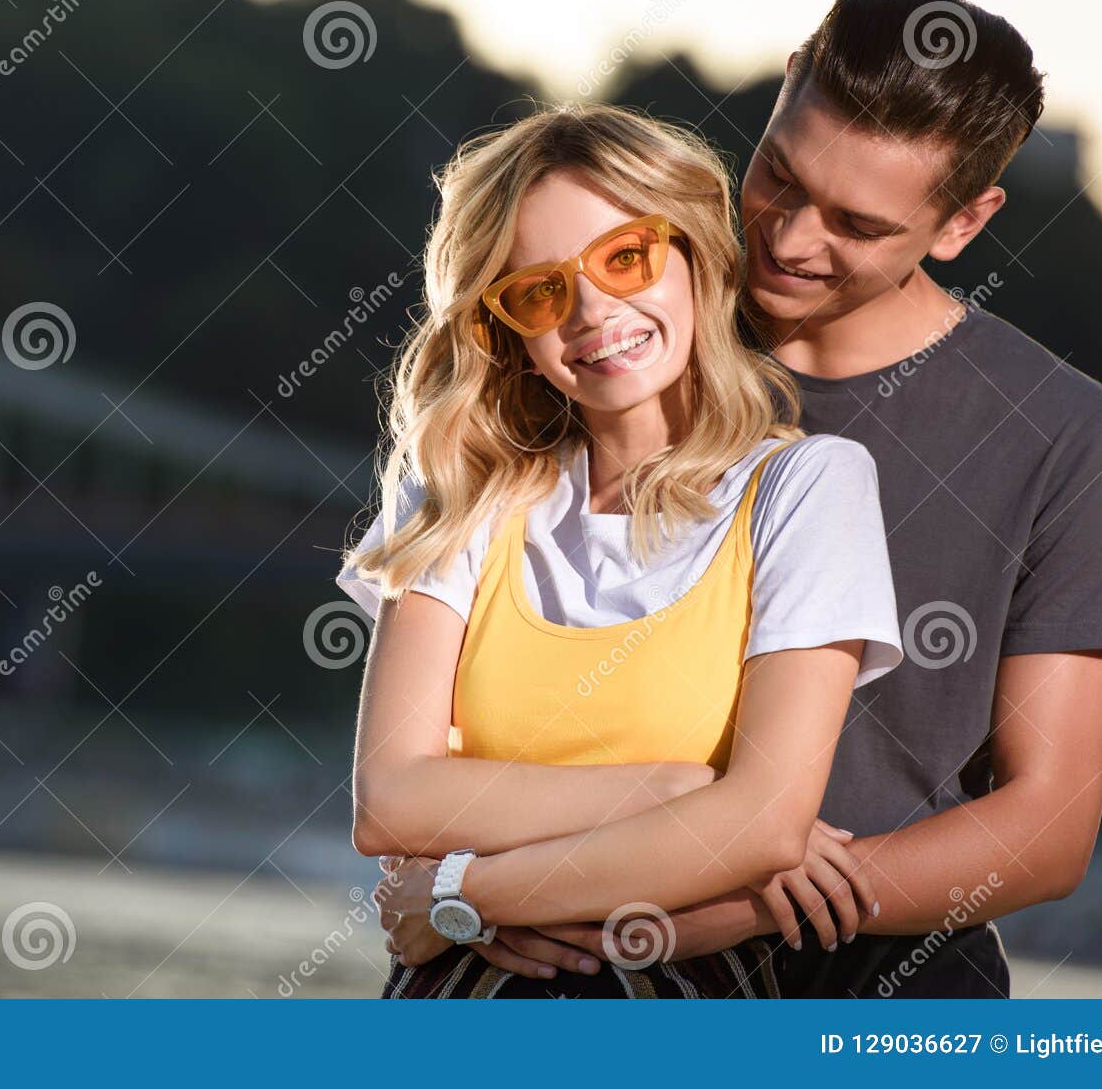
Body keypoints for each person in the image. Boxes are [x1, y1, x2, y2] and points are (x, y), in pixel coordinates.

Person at [444, 0, 1102, 999]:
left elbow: (1046, 825)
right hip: (553, 937)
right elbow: (452, 665)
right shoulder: (612, 329)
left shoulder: (1057, 430)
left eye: (855, 225)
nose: (787, 239)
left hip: (868, 972)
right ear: (784, 89)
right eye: (779, 174)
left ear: (962, 222)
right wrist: (445, 883)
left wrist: (732, 902)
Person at [335, 102, 904, 997]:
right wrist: (677, 790)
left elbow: (762, 827)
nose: (594, 310)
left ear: (693, 256)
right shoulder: (458, 494)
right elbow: (391, 804)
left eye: (625, 257)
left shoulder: (810, 488)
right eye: (540, 291)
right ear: (509, 330)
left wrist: (464, 893)